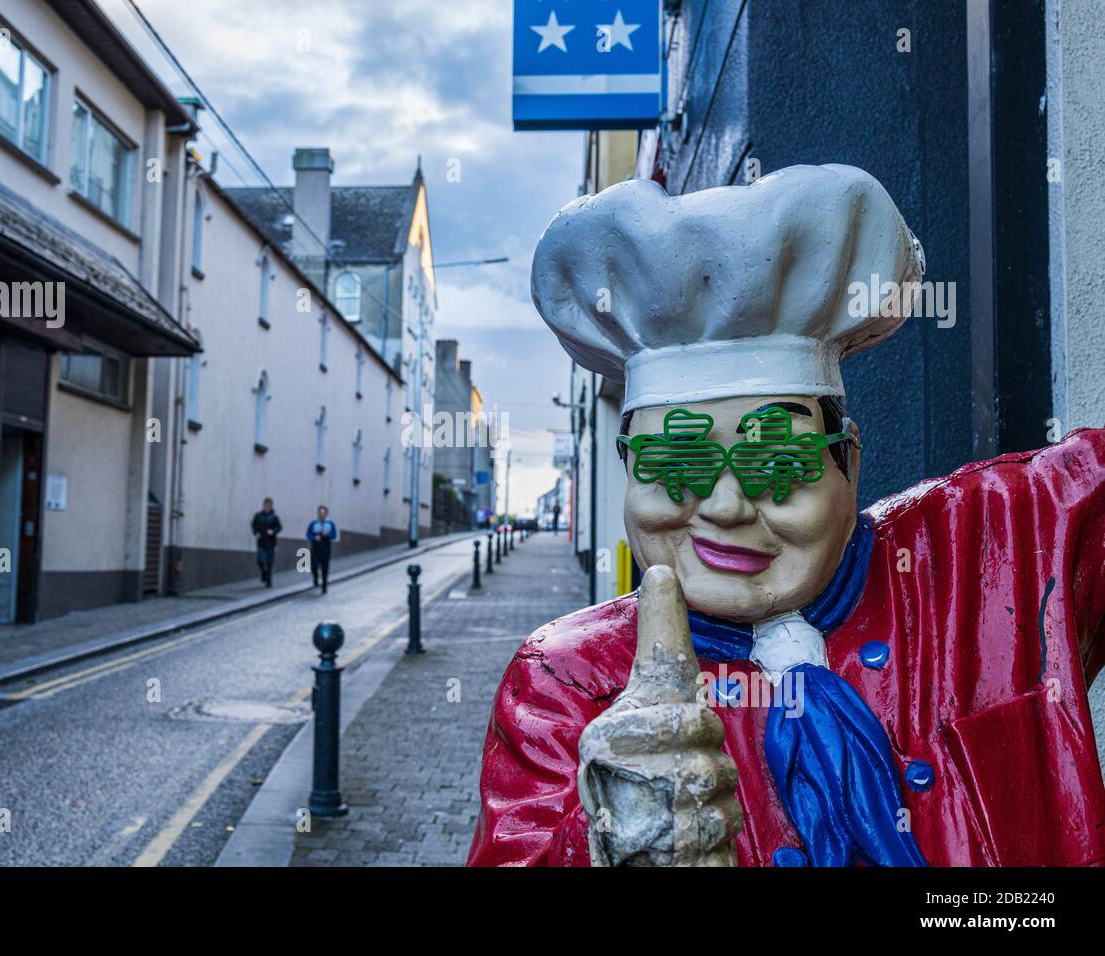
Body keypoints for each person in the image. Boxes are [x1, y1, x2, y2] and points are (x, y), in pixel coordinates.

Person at [468, 165, 1105, 868]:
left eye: (778, 460)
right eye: (675, 465)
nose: (725, 506)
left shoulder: (998, 542)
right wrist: (603, 839)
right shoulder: (569, 680)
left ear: (849, 462)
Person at [305, 505, 338, 594]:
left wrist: (327, 535)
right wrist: (314, 537)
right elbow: (308, 535)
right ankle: (315, 578)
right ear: (318, 513)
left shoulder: (330, 523)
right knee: (313, 566)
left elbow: (334, 535)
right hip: (315, 548)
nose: (322, 514)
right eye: (320, 513)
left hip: (326, 548)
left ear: (326, 513)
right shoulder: (313, 523)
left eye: (324, 513)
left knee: (325, 568)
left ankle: (324, 586)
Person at [250, 497, 281, 588]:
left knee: (270, 562)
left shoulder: (274, 517)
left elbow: (279, 527)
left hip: (271, 542)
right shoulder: (258, 516)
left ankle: (269, 581)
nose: (267, 507)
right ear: (263, 505)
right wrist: (256, 533)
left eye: (269, 505)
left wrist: (273, 531)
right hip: (261, 541)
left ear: (271, 506)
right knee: (260, 559)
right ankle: (263, 572)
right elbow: (253, 524)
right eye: (266, 505)